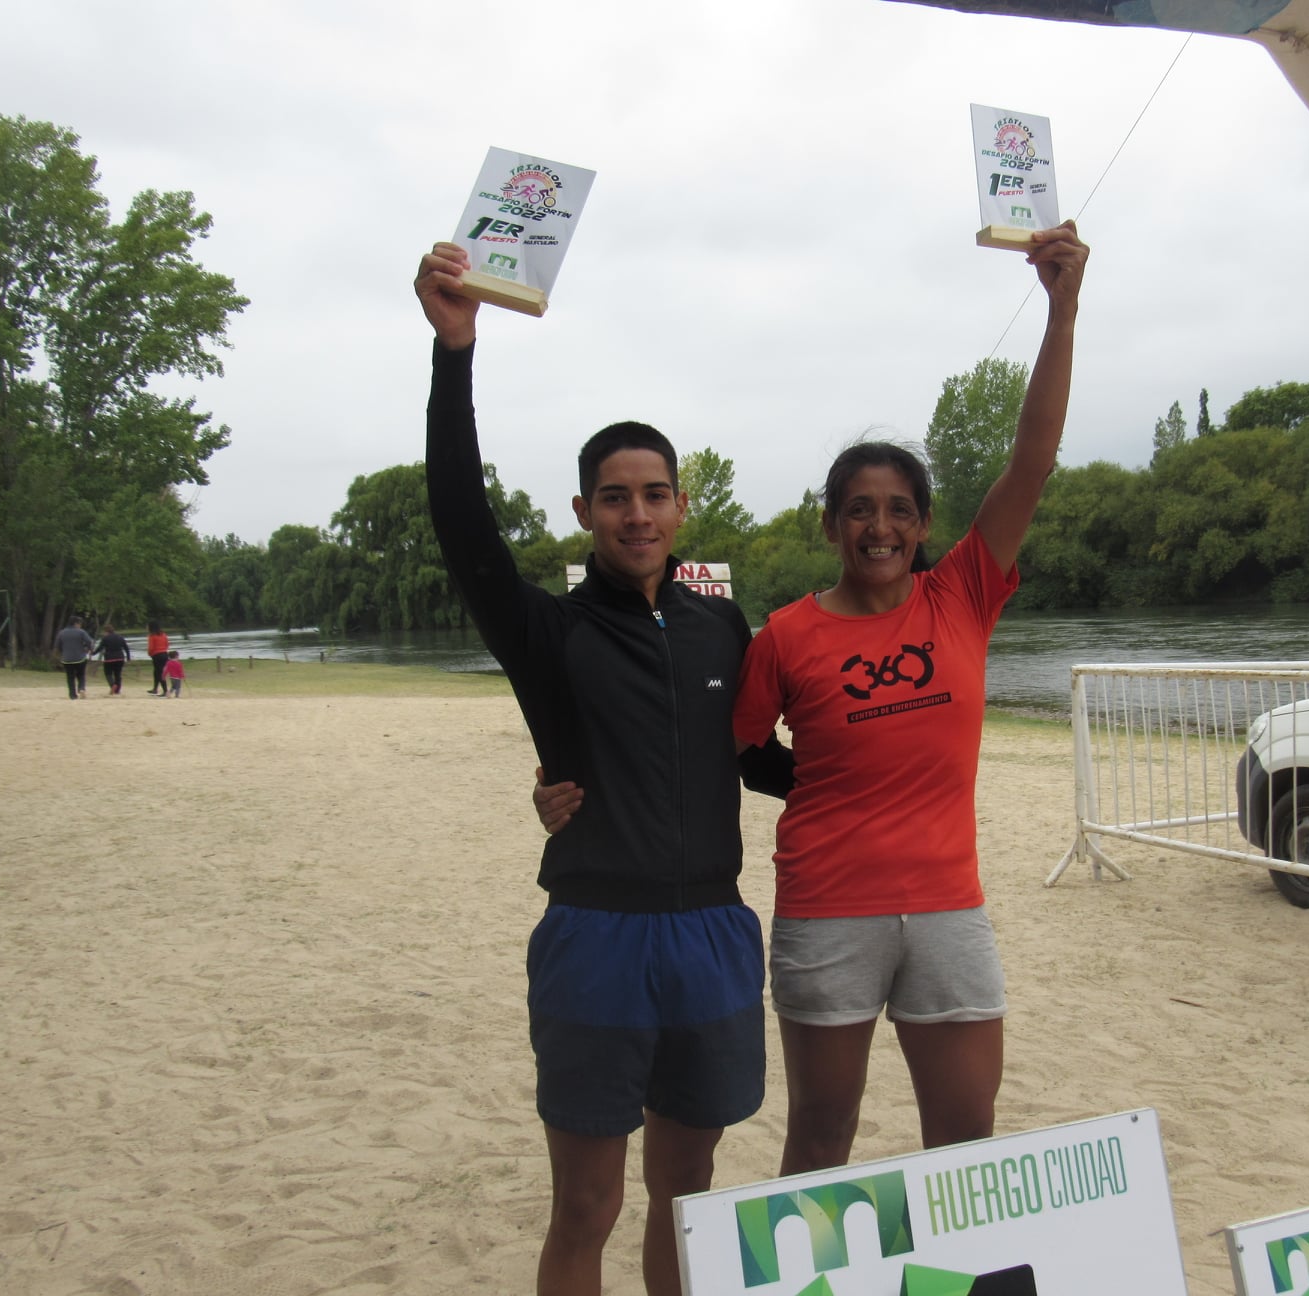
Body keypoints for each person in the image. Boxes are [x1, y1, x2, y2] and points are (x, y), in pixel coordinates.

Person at [413, 240, 791, 1296]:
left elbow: (759, 758)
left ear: (680, 508)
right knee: (586, 1203)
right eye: (614, 496)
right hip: (595, 937)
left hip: (715, 931)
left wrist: (875, 779)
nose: (636, 513)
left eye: (655, 494)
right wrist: (455, 355)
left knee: (691, 1195)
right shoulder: (551, 632)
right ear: (583, 512)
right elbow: (462, 524)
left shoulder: (724, 627)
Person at [731, 223, 1089, 1175]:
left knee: (966, 1146)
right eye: (859, 509)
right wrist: (815, 787)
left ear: (925, 526)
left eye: (898, 510)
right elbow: (738, 748)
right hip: (826, 908)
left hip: (948, 910)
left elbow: (1034, 456)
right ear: (831, 524)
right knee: (820, 1140)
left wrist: (1062, 308)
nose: (879, 526)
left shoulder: (962, 594)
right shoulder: (785, 636)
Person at [55, 615, 95, 700]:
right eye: (79, 623)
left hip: (67, 659)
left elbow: (57, 646)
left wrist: (63, 652)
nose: (80, 625)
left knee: (70, 677)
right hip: (80, 657)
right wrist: (89, 649)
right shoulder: (81, 632)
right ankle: (81, 688)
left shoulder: (61, 633)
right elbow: (89, 641)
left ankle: (72, 695)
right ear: (76, 623)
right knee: (81, 675)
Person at [97, 624, 131, 695]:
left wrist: (93, 653)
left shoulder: (105, 638)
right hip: (120, 658)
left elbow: (100, 648)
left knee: (108, 673)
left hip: (109, 659)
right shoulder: (120, 637)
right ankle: (117, 690)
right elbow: (126, 648)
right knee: (118, 675)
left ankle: (112, 685)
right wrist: (128, 657)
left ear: (106, 631)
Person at [146, 621, 171, 695]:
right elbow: (167, 644)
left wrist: (150, 654)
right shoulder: (163, 634)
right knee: (156, 672)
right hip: (164, 654)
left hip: (157, 655)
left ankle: (165, 691)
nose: (146, 627)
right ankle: (155, 688)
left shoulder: (151, 636)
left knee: (159, 673)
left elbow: (151, 648)